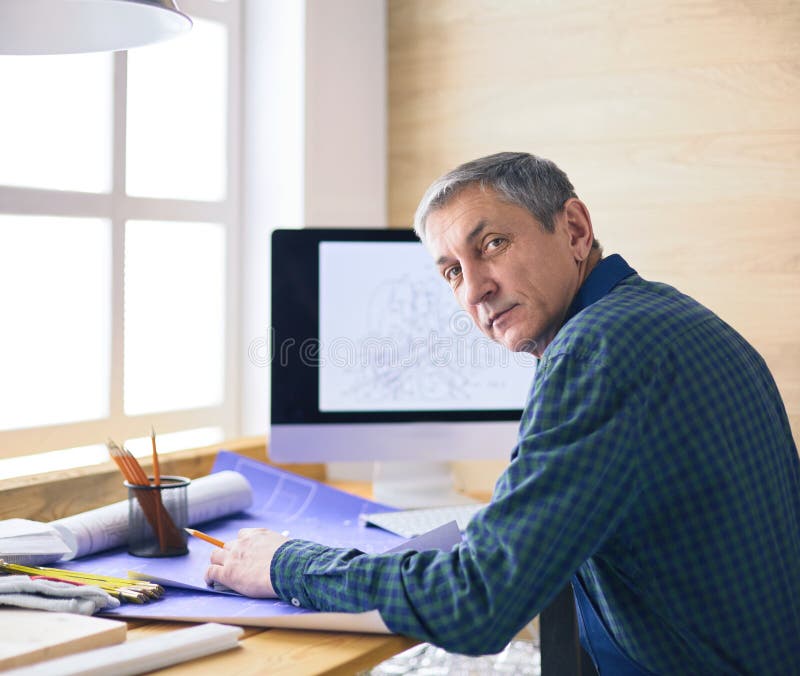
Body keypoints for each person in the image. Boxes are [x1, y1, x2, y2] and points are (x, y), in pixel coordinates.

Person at [205, 152, 800, 674]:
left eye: (492, 245)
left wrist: (286, 565)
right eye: (452, 271)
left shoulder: (595, 351)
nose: (473, 291)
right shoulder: (668, 316)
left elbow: (479, 603)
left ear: (574, 230)